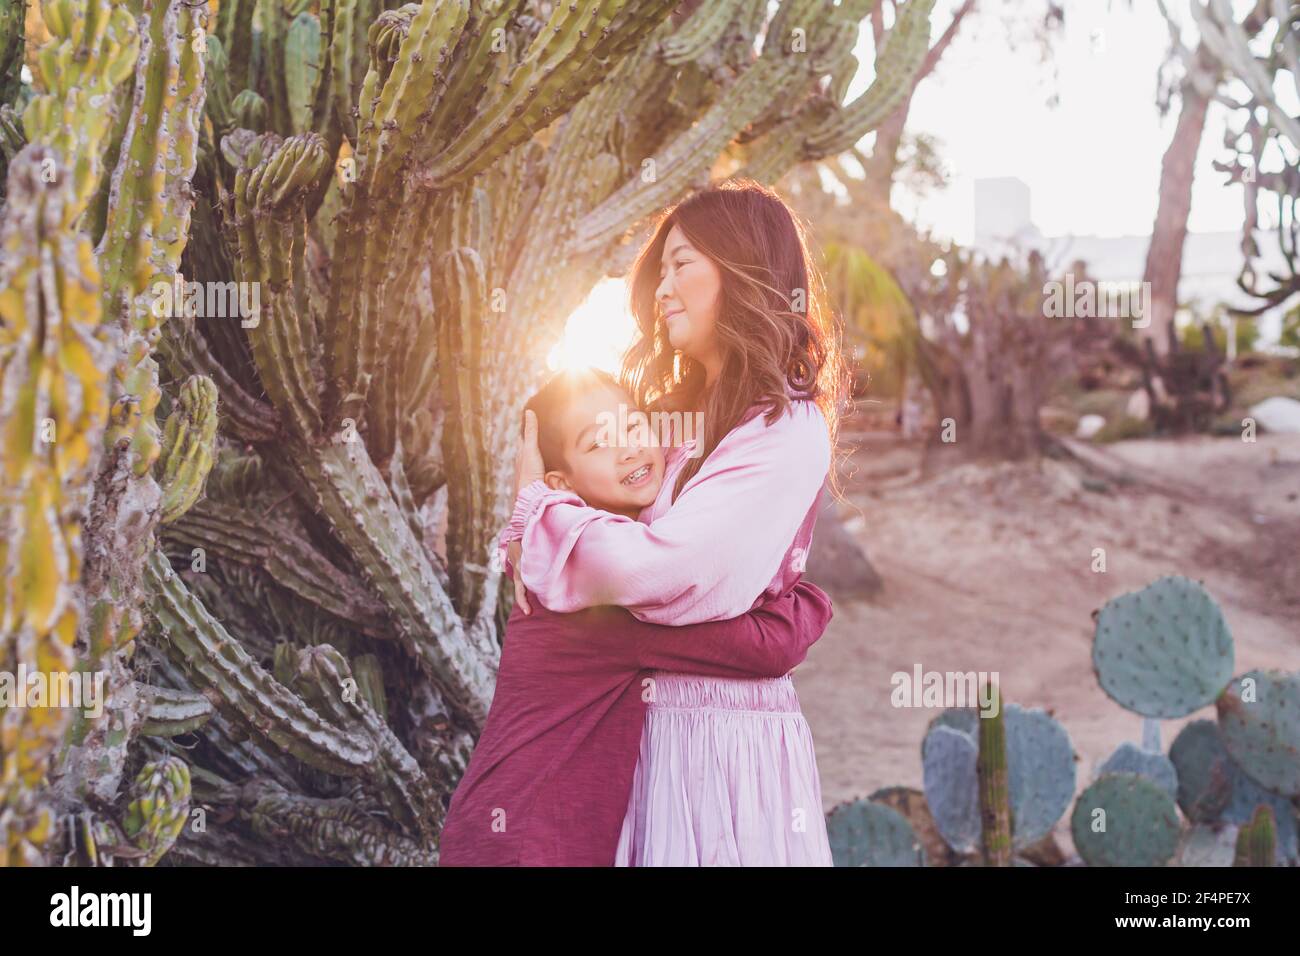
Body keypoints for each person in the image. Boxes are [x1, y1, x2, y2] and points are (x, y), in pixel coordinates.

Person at [503, 180, 849, 865]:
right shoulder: (667, 420)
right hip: (641, 730)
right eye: (658, 271)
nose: (662, 288)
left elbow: (671, 576)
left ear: (745, 268)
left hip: (721, 742)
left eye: (681, 264)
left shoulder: (785, 427)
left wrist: (538, 515)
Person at [438, 368, 833, 866]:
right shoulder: (599, 594)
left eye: (633, 426)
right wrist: (808, 603)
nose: (627, 448)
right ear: (562, 484)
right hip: (520, 842)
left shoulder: (571, 563)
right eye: (598, 443)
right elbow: (767, 647)